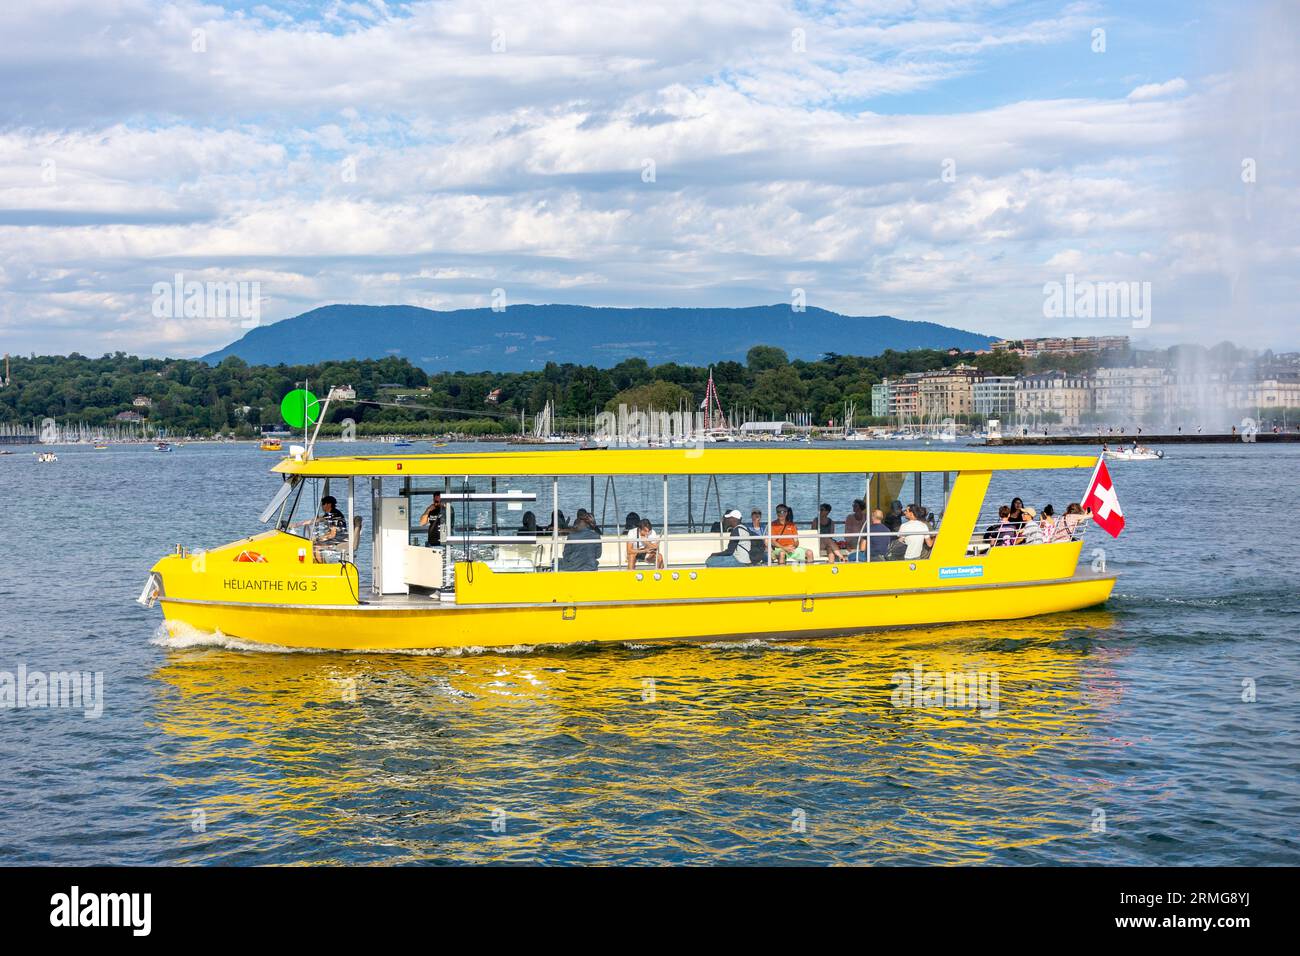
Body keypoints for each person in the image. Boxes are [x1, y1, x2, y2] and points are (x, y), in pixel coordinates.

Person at [312, 495, 349, 561]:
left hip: (340, 539)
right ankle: (322, 564)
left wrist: (318, 539)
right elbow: (317, 520)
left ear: (329, 504)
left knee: (316, 547)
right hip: (339, 537)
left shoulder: (334, 515)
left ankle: (322, 568)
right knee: (315, 543)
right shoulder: (332, 513)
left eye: (323, 504)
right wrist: (298, 524)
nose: (322, 506)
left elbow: (332, 534)